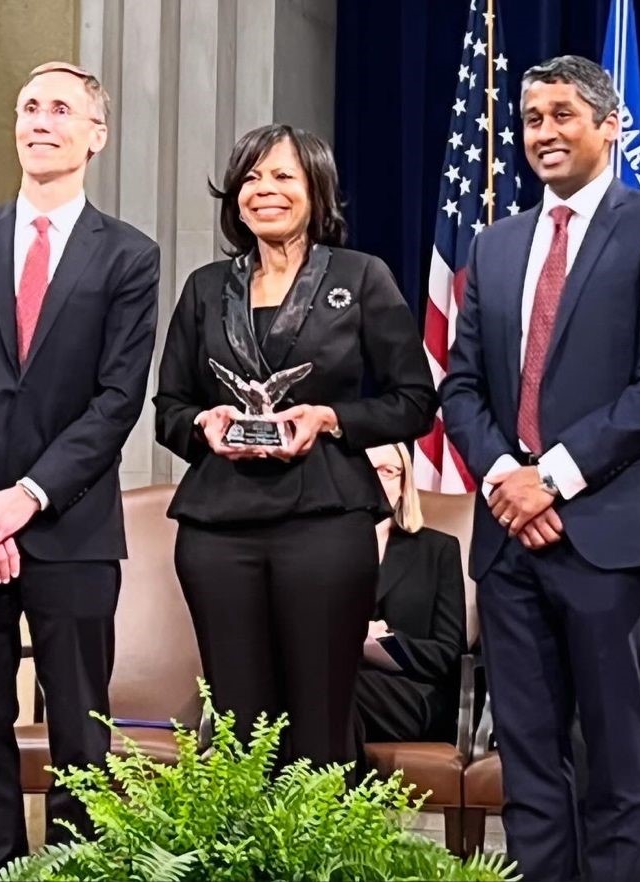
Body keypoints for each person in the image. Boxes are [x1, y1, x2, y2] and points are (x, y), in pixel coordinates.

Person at [440, 55, 640, 882]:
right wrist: (505, 480)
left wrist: (548, 480)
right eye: (531, 119)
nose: (543, 132)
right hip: (508, 537)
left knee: (613, 755)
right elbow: (460, 385)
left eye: (562, 115)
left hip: (606, 532)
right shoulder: (494, 244)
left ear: (608, 126)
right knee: (526, 757)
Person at [0, 61, 160, 882]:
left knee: (81, 735)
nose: (40, 121)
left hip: (71, 527)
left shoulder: (128, 256)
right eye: (28, 107)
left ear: (96, 136)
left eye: (61, 109)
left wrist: (23, 499)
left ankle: (73, 873)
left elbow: (117, 400)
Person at [154, 123, 436, 772]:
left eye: (283, 176)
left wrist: (330, 418)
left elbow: (414, 401)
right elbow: (168, 408)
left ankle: (318, 838)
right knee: (238, 725)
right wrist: (204, 425)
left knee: (319, 718)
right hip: (217, 531)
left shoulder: (361, 277)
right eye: (251, 178)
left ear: (316, 189)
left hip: (325, 524)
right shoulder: (204, 288)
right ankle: (243, 839)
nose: (265, 190)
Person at [355, 442, 465, 746]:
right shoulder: (322, 550)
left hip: (411, 693)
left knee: (321, 688)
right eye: (364, 469)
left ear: (404, 485)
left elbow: (447, 654)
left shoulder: (438, 550)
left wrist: (386, 643)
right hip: (338, 682)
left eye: (387, 471)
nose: (375, 479)